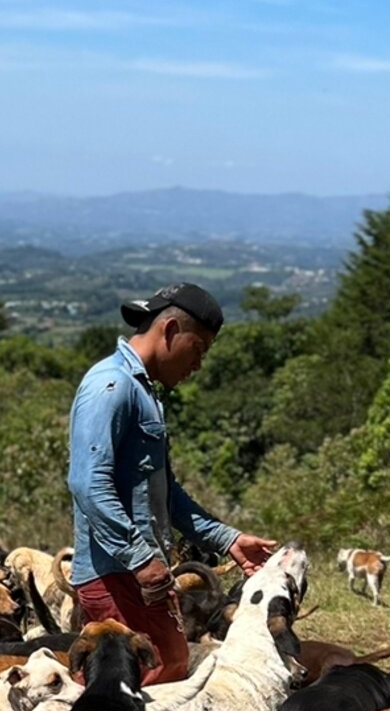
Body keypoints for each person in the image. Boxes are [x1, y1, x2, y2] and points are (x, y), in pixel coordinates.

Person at [67, 282, 276, 685]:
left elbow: (167, 495)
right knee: (141, 684)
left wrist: (228, 539)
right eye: (198, 349)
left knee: (166, 673)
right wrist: (140, 559)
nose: (197, 365)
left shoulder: (144, 393)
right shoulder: (111, 386)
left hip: (137, 575)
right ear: (170, 331)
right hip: (117, 577)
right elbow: (88, 483)